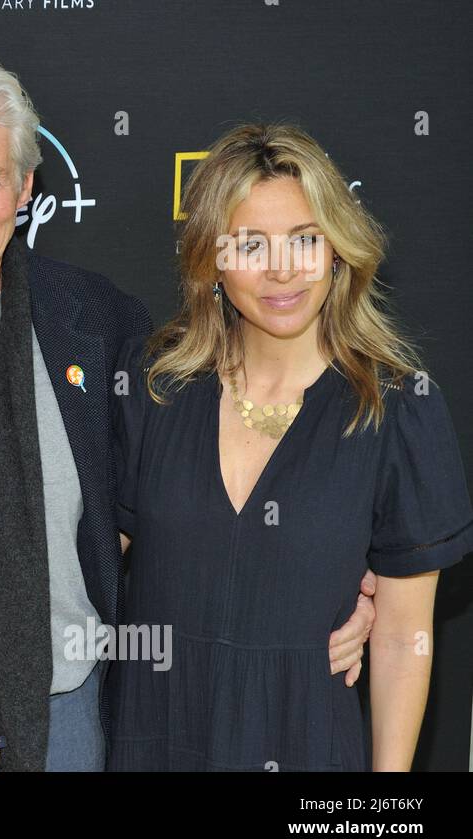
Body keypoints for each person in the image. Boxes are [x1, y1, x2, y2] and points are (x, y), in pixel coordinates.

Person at [0, 53, 377, 772]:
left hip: (67, 725)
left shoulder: (99, 325)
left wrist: (338, 598)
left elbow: (187, 518)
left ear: (24, 189)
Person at [109, 123, 473, 771]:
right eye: (250, 244)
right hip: (156, 737)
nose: (282, 269)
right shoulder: (155, 388)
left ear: (338, 250)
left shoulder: (397, 409)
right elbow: (87, 571)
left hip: (307, 749)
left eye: (305, 239)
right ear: (212, 261)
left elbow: (401, 640)